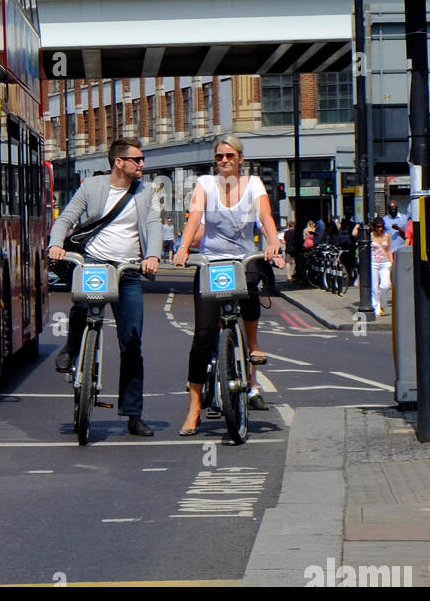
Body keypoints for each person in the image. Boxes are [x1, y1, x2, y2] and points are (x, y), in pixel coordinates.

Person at [48, 138, 162, 438]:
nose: (142, 164)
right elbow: (67, 218)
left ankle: (133, 414)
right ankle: (73, 348)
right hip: (96, 264)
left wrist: (152, 254)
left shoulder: (146, 191)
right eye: (137, 159)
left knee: (132, 343)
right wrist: (56, 244)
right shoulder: (92, 187)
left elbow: (152, 224)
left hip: (129, 271)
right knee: (82, 306)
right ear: (119, 163)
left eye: (142, 159)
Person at [174, 133, 283, 434]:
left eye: (229, 156)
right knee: (203, 338)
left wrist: (274, 243)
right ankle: (195, 407)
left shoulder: (254, 185)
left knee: (251, 277)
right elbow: (194, 218)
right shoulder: (205, 185)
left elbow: (266, 217)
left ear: (240, 159)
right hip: (211, 262)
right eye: (219, 156)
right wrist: (184, 248)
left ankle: (253, 343)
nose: (224, 161)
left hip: (243, 259)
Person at [368, 217, 393, 316]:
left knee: (385, 285)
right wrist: (358, 225)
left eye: (382, 227)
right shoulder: (370, 236)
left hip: (385, 262)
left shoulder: (387, 235)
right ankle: (376, 308)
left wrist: (392, 262)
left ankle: (382, 304)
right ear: (374, 227)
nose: (380, 229)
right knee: (374, 287)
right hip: (373, 262)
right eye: (378, 227)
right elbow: (354, 234)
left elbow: (389, 249)